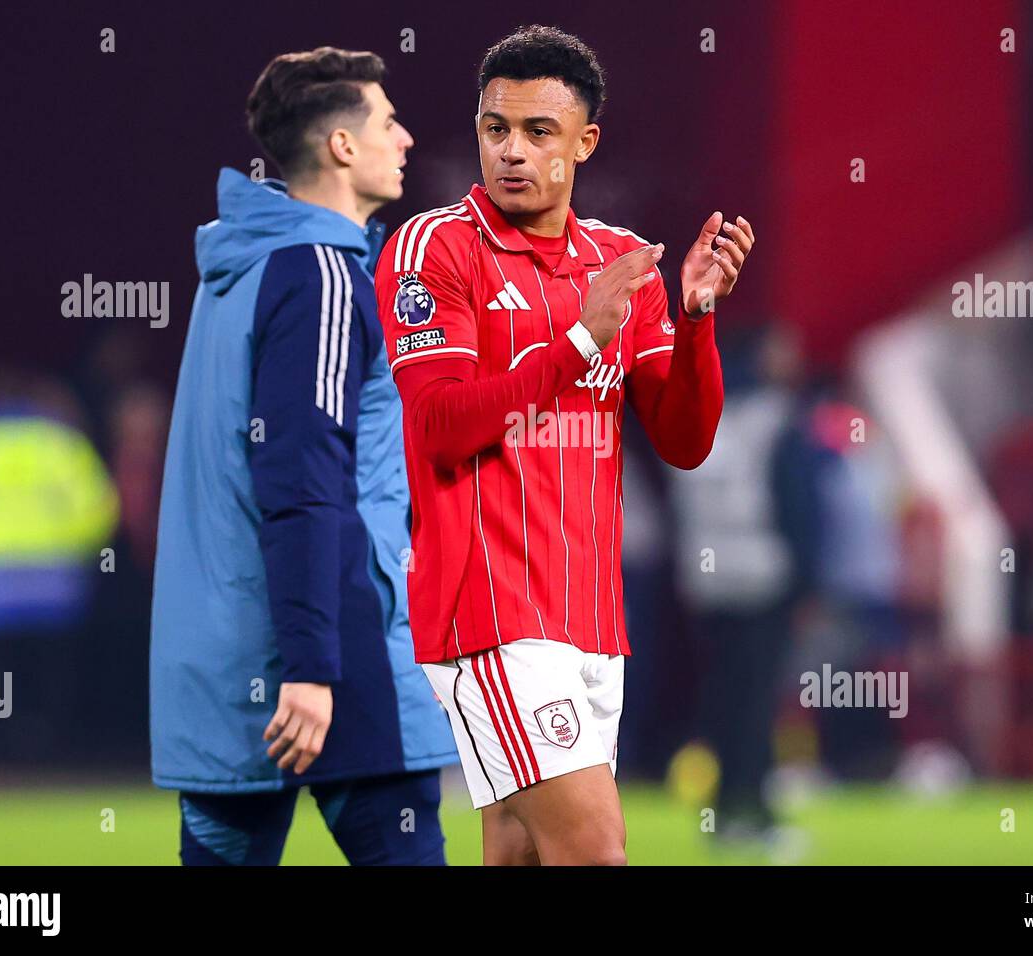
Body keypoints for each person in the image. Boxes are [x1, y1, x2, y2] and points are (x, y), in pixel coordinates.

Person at [375, 25, 754, 865]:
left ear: (585, 142)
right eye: (494, 128)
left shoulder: (622, 261)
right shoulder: (434, 250)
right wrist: (580, 343)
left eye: (538, 132)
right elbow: (438, 429)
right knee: (596, 853)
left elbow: (685, 442)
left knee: (520, 854)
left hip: (590, 621)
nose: (511, 151)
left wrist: (694, 321)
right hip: (492, 613)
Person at [150, 47, 456, 866]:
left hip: (228, 657)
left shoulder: (240, 268)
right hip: (328, 652)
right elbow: (304, 475)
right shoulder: (320, 273)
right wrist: (314, 664)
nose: (407, 138)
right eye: (388, 122)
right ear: (343, 148)